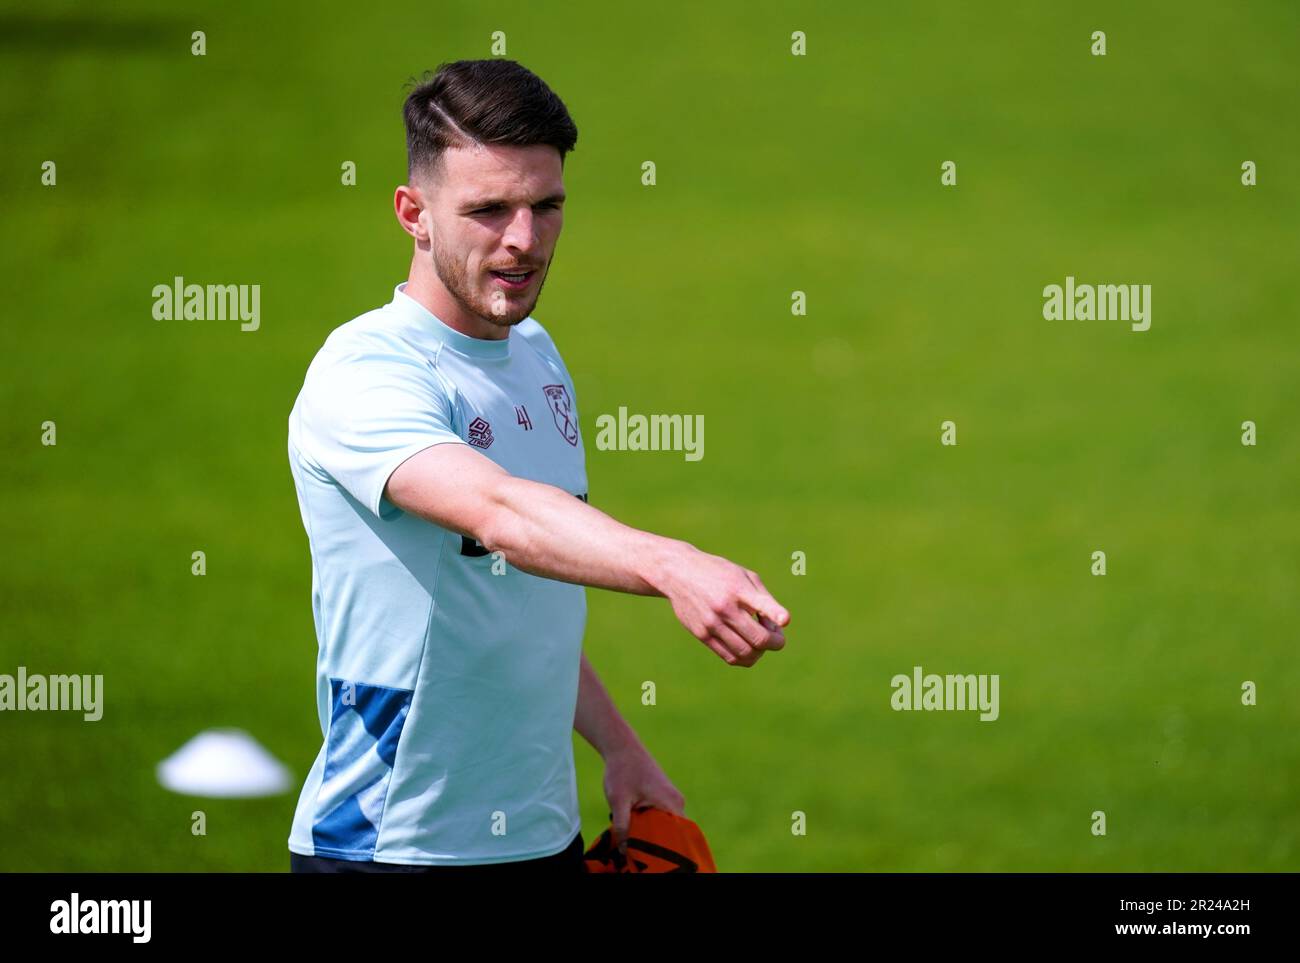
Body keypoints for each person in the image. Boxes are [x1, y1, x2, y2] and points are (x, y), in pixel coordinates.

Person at [285, 59, 789, 873]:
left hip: (541, 840)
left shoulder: (535, 356)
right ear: (413, 213)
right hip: (392, 850)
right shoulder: (366, 374)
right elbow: (501, 516)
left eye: (546, 206)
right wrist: (671, 564)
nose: (523, 240)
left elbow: (519, 601)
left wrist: (619, 746)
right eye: (488, 211)